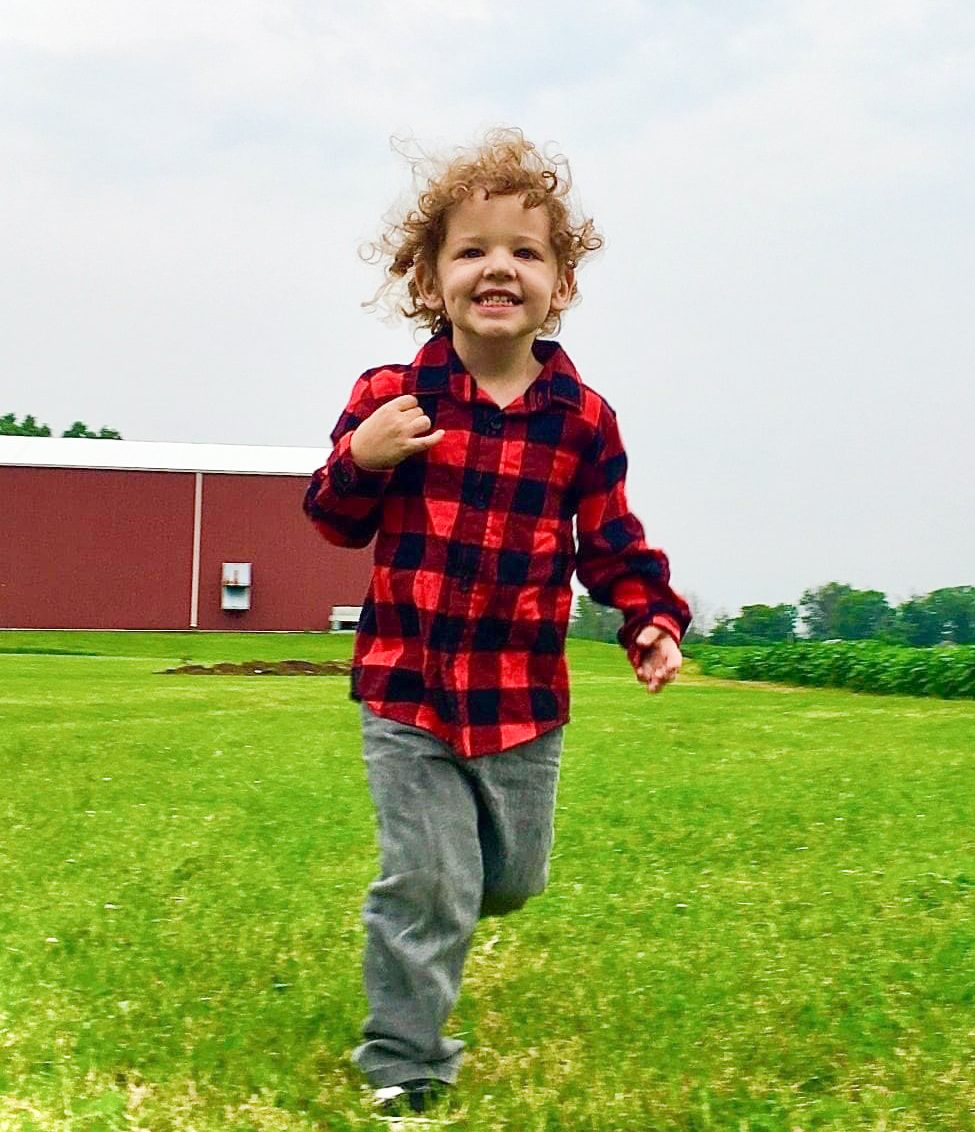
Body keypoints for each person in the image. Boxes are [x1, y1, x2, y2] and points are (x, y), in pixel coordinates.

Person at [303, 128, 691, 1117]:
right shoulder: (392, 399)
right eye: (471, 249)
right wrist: (364, 458)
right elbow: (334, 519)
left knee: (508, 880)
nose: (499, 268)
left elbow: (611, 541)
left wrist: (649, 617)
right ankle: (404, 1060)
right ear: (429, 280)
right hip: (410, 689)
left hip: (523, 700)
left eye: (525, 250)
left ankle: (445, 904)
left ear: (560, 284)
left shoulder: (582, 419)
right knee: (429, 881)